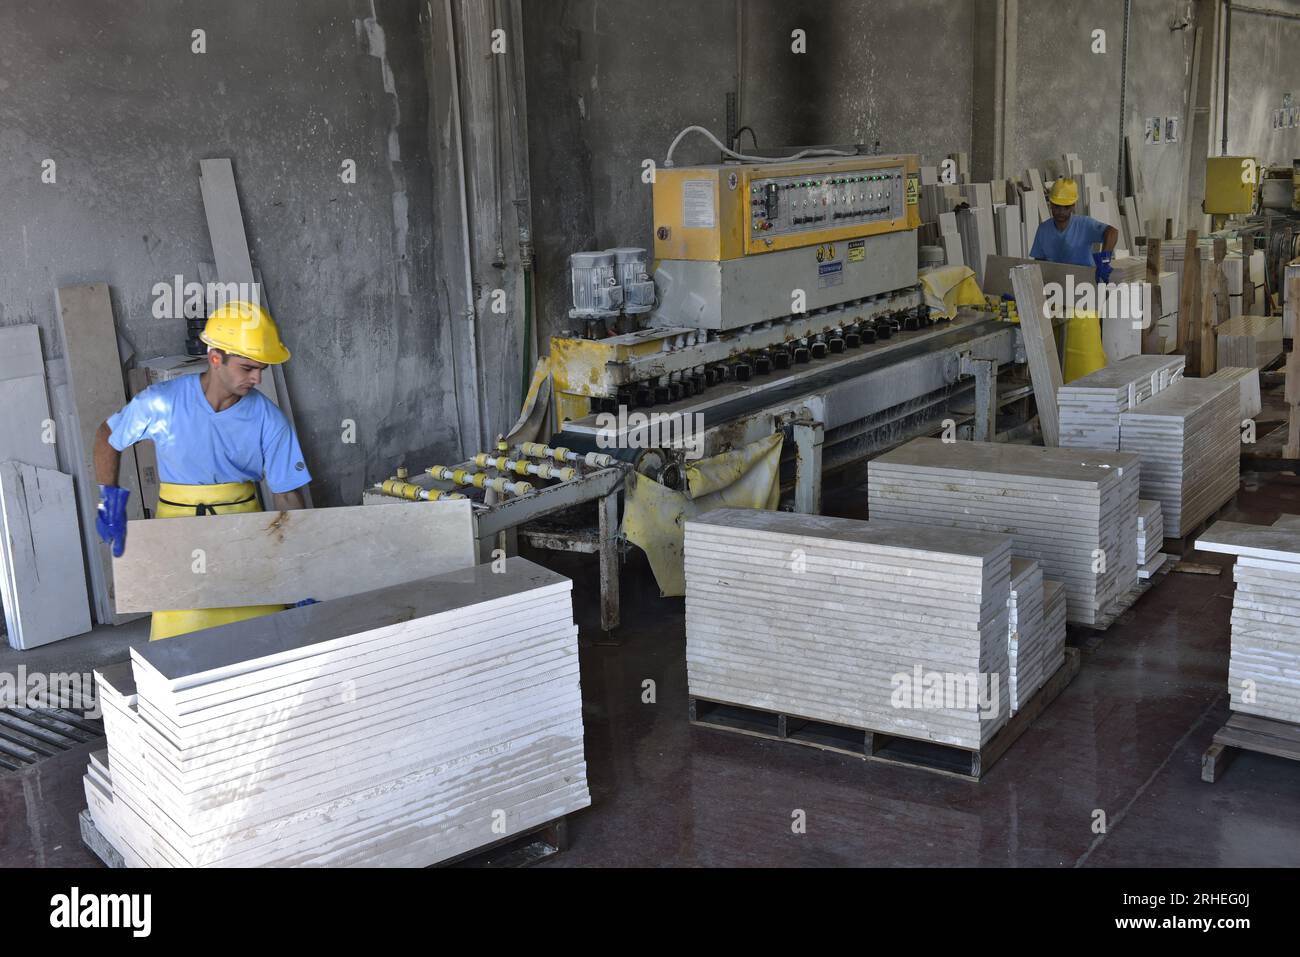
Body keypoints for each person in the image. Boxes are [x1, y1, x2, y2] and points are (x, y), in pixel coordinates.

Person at [92, 300, 312, 640]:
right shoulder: (163, 402)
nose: (256, 378)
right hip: (178, 533)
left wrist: (305, 566)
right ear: (215, 358)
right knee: (179, 645)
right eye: (247, 368)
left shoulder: (269, 419)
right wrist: (108, 498)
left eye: (261, 370)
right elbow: (108, 436)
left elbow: (286, 495)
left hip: (244, 532)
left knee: (261, 639)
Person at [1029, 178, 1120, 281]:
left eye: (1066, 207)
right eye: (1057, 206)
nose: (1061, 212)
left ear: (1073, 206)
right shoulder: (1043, 230)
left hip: (1085, 283)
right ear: (1050, 204)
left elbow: (1112, 232)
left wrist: (1104, 261)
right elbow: (1039, 265)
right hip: (1056, 285)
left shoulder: (1084, 224)